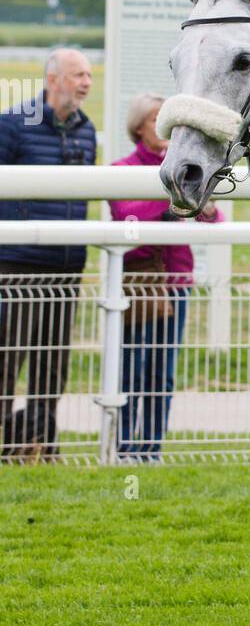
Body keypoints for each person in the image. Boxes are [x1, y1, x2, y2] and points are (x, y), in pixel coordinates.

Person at [109, 93, 224, 462]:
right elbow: (128, 215)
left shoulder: (185, 169)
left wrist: (199, 200)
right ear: (139, 125)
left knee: (162, 372)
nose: (165, 126)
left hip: (176, 283)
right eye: (157, 118)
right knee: (131, 367)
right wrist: (175, 194)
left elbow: (213, 217)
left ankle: (152, 449)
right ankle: (126, 447)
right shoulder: (121, 169)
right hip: (138, 284)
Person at [0, 48, 96, 461]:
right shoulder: (14, 124)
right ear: (53, 79)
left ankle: (40, 446)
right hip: (18, 264)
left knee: (51, 364)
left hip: (66, 266)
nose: (87, 82)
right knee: (7, 359)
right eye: (78, 74)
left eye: (90, 75)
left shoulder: (86, 129)